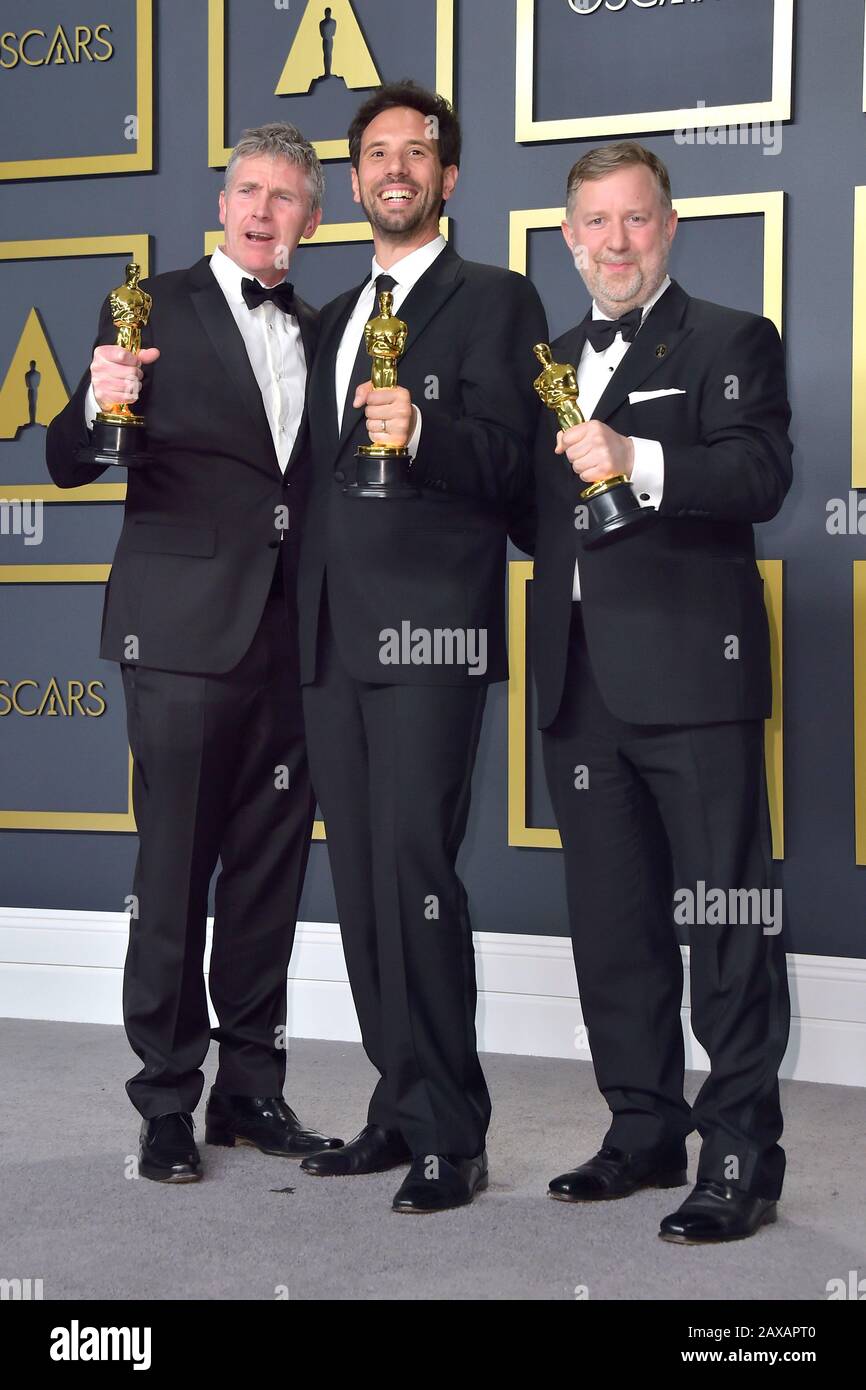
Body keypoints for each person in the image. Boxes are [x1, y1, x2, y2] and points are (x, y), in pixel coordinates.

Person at [45, 122, 343, 1183]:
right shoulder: (149, 310)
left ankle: (250, 1091)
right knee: (172, 872)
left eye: (285, 196)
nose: (263, 210)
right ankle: (166, 1100)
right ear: (222, 206)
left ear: (313, 218)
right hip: (179, 635)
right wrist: (97, 402)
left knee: (268, 873)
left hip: (294, 639)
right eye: (247, 190)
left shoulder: (327, 331)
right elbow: (69, 459)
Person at [518, 140, 792, 1243]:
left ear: (668, 228)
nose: (616, 241)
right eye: (595, 222)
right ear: (568, 237)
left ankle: (740, 1155)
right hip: (577, 680)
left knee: (725, 919)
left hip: (693, 676)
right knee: (612, 924)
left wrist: (639, 457)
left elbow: (761, 476)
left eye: (636, 219)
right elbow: (532, 513)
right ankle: (640, 1129)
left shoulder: (732, 338)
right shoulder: (546, 360)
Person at [297, 81, 548, 1213]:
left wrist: (425, 430)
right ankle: (397, 1105)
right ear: (354, 181)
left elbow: (517, 464)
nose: (394, 168)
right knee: (360, 881)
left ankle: (453, 1129)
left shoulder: (495, 298)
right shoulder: (330, 316)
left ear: (447, 178)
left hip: (430, 631)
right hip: (326, 635)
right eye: (376, 153)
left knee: (415, 872)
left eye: (417, 152)